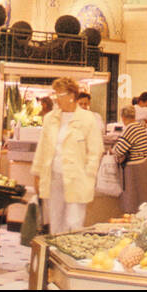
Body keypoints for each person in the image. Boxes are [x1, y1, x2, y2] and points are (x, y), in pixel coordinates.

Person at [32, 77, 103, 235]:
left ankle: (69, 257)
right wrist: (37, 174)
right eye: (55, 94)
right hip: (54, 178)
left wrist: (88, 175)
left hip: (77, 179)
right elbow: (42, 148)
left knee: (74, 223)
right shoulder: (50, 119)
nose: (56, 99)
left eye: (59, 94)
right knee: (55, 222)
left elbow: (95, 151)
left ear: (71, 96)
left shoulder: (88, 119)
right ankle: (54, 255)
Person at [112, 105, 147, 214]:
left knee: (131, 201)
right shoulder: (140, 126)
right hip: (144, 165)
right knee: (143, 198)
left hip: (133, 169)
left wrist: (112, 150)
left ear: (123, 117)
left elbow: (119, 150)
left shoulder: (130, 128)